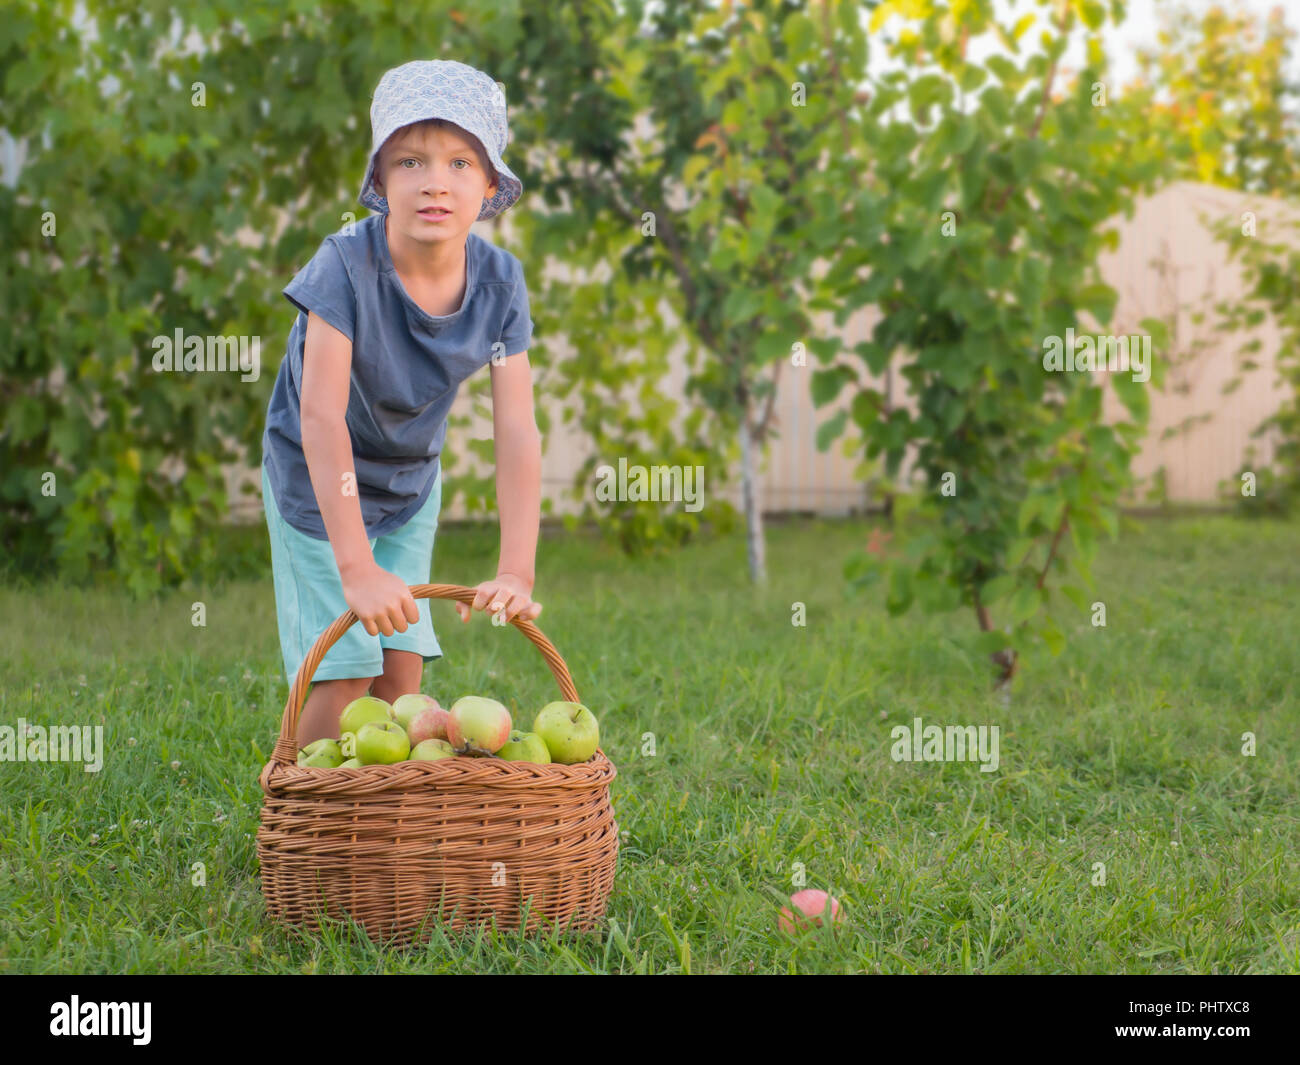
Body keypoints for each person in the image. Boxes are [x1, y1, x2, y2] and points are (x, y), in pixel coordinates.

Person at [260, 60, 542, 746]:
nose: (435, 181)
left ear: (489, 185)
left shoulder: (500, 285)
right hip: (317, 481)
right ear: (381, 179)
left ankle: (388, 838)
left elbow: (516, 428)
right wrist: (355, 566)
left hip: (410, 484)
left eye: (460, 162)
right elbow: (321, 414)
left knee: (399, 678)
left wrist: (515, 567)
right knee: (343, 674)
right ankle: (314, 828)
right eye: (410, 160)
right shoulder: (345, 266)